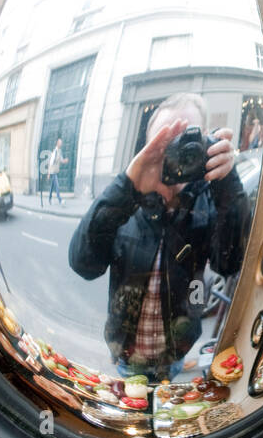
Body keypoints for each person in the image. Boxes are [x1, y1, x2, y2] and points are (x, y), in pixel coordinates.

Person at [67, 93, 248, 382]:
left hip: (176, 355)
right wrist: (127, 186)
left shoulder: (207, 200)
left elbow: (229, 263)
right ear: (148, 147)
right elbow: (83, 264)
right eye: (165, 143)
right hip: (126, 355)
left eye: (187, 140)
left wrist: (227, 182)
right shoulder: (128, 200)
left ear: (204, 145)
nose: (176, 154)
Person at [45, 136, 67, 206]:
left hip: (56, 171)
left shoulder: (60, 151)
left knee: (52, 186)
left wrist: (65, 161)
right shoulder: (54, 152)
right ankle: (60, 200)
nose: (61, 144)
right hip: (52, 171)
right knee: (57, 185)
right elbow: (50, 163)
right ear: (57, 143)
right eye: (60, 143)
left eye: (61, 143)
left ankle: (49, 199)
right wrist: (48, 173)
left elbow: (61, 160)